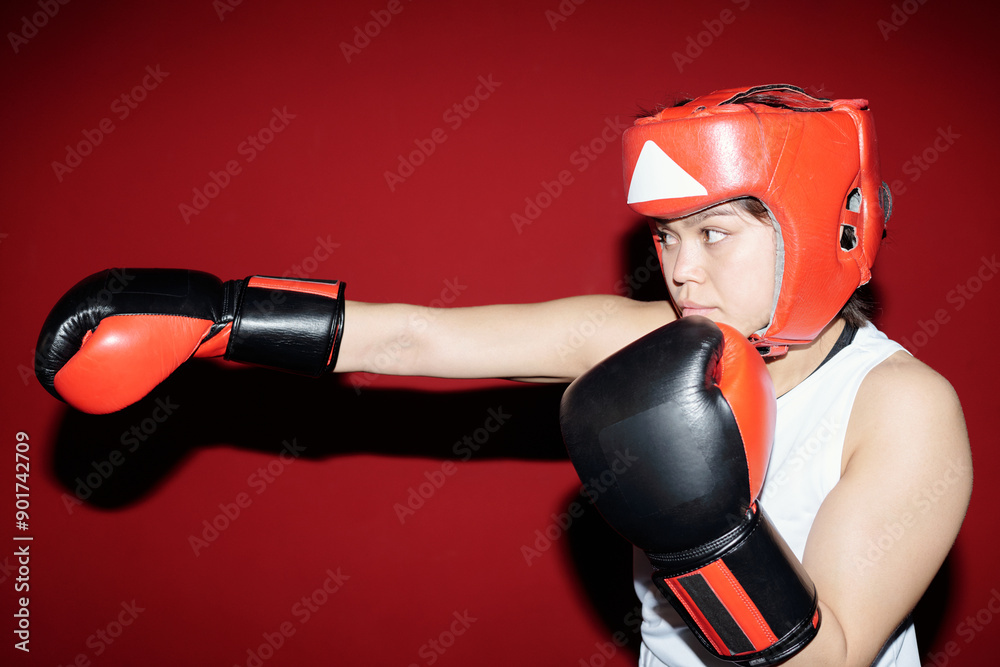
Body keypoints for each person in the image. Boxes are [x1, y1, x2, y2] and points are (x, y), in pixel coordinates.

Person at [35, 85, 971, 666]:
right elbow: (418, 340)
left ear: (826, 229)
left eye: (714, 232)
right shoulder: (647, 339)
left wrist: (708, 534)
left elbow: (833, 658)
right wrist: (220, 316)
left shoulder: (901, 408)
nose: (680, 268)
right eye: (665, 235)